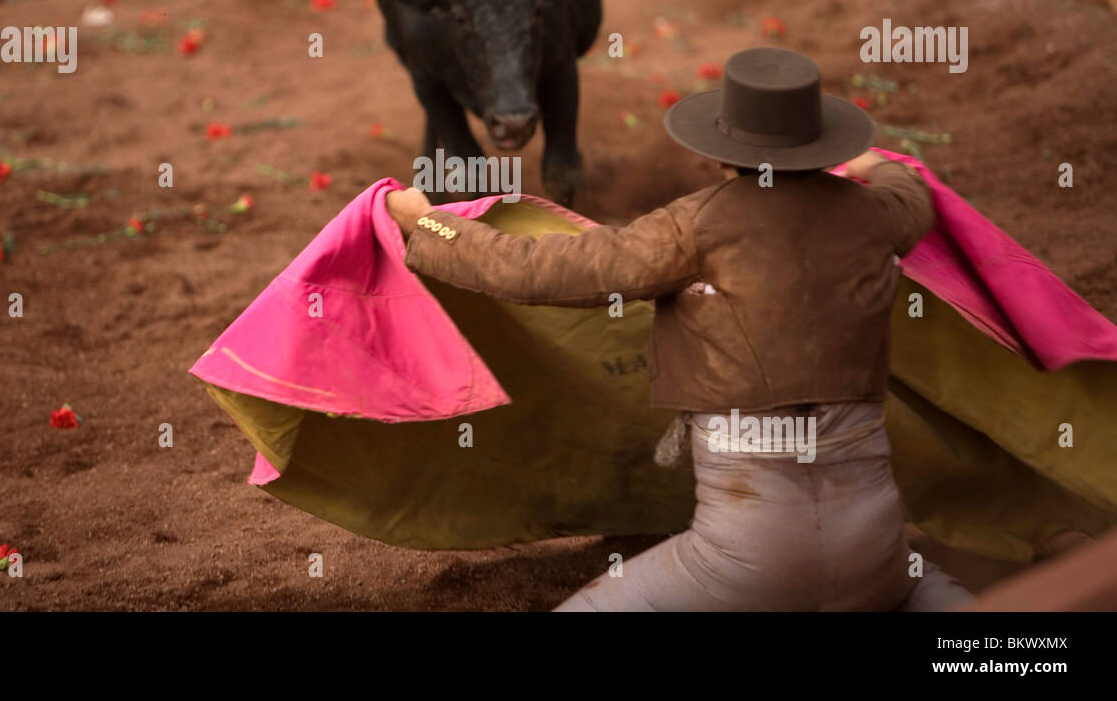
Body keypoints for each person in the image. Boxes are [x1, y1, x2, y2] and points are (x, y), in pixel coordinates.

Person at [385, 47, 971, 611]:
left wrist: (430, 225)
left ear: (721, 155)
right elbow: (912, 194)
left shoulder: (696, 226)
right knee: (949, 605)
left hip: (748, 555)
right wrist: (879, 165)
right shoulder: (876, 214)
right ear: (819, 147)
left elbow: (547, 272)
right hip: (877, 547)